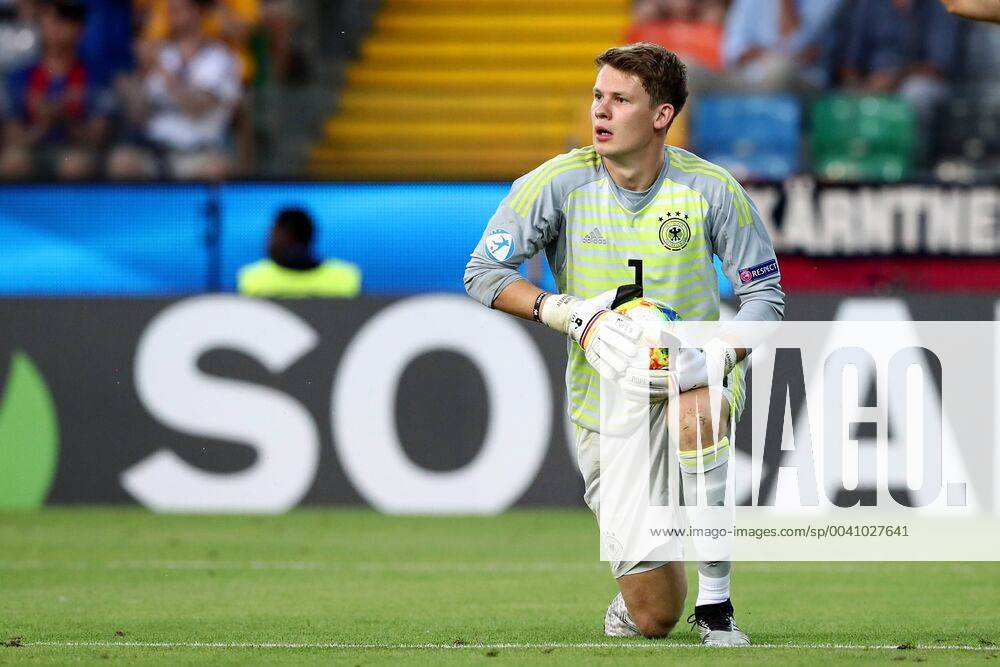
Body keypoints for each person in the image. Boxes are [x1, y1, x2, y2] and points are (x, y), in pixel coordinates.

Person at [465, 42, 783, 645]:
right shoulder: (555, 184)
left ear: (661, 115)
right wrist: (571, 315)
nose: (600, 111)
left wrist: (714, 358)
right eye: (597, 97)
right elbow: (483, 274)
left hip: (690, 373)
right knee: (655, 617)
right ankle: (637, 600)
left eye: (620, 99)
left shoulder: (711, 190)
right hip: (607, 403)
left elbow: (765, 298)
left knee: (700, 410)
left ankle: (717, 606)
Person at [107, 0, 240, 180]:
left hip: (199, 152)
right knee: (123, 162)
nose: (171, 14)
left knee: (213, 170)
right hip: (155, 149)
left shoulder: (220, 57)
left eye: (178, 9)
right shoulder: (161, 53)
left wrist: (161, 70)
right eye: (170, 9)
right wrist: (132, 83)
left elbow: (197, 108)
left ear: (197, 11)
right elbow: (139, 116)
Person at [1, 0, 109, 179]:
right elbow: (12, 139)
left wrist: (66, 117)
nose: (56, 25)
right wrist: (43, 124)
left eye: (64, 18)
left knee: (74, 164)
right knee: (12, 161)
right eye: (48, 17)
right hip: (33, 151)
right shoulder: (19, 77)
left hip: (76, 151)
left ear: (80, 28)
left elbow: (97, 140)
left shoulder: (96, 77)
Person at [238, 207, 362, 298]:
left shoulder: (347, 276)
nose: (268, 240)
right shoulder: (250, 277)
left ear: (289, 237)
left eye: (274, 234)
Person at [722, 0, 843, 91]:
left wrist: (785, 2)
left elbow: (800, 48)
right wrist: (772, 55)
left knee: (779, 69)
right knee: (709, 78)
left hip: (804, 79)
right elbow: (733, 50)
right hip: (749, 76)